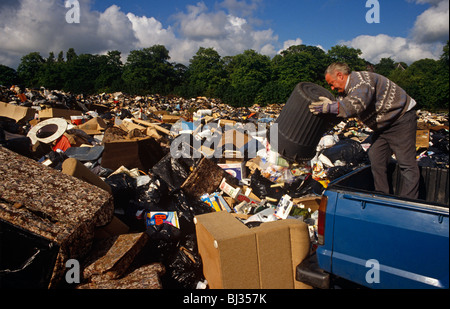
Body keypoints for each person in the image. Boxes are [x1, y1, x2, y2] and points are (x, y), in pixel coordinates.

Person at [309, 62, 420, 199]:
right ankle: (382, 196)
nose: (332, 87)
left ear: (340, 75)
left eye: (332, 83)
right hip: (383, 126)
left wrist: (332, 107)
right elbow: (344, 109)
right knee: (376, 156)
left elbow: (356, 105)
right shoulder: (348, 91)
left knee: (406, 163)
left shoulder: (362, 82)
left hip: (400, 120)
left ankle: (408, 201)